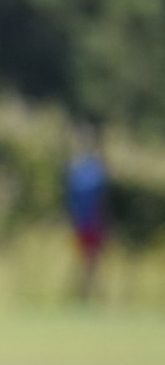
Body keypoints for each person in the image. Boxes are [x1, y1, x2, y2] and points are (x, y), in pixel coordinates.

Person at [65, 123, 109, 302]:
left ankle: (85, 294)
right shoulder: (92, 170)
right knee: (88, 260)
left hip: (87, 221)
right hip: (87, 221)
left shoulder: (78, 169)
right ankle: (84, 294)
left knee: (89, 260)